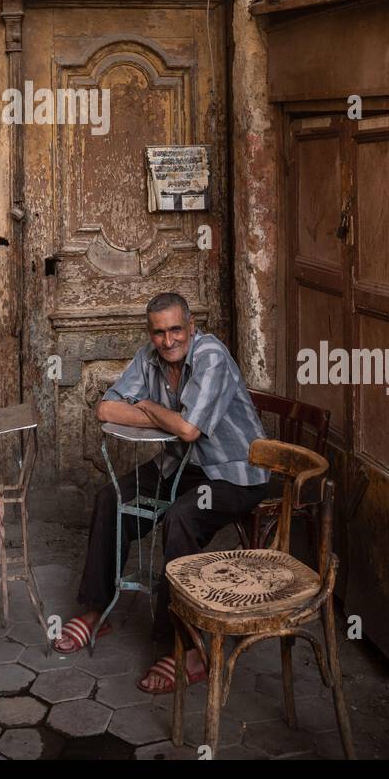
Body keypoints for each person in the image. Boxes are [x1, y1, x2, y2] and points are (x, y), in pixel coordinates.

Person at [54, 291, 271, 693]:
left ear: (191, 326)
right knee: (110, 499)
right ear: (150, 333)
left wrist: (149, 406)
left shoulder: (211, 356)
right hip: (182, 466)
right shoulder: (148, 357)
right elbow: (106, 408)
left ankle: (185, 646)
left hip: (236, 470)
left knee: (181, 518)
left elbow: (190, 429)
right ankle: (95, 611)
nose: (168, 340)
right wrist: (163, 413)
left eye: (176, 330)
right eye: (159, 332)